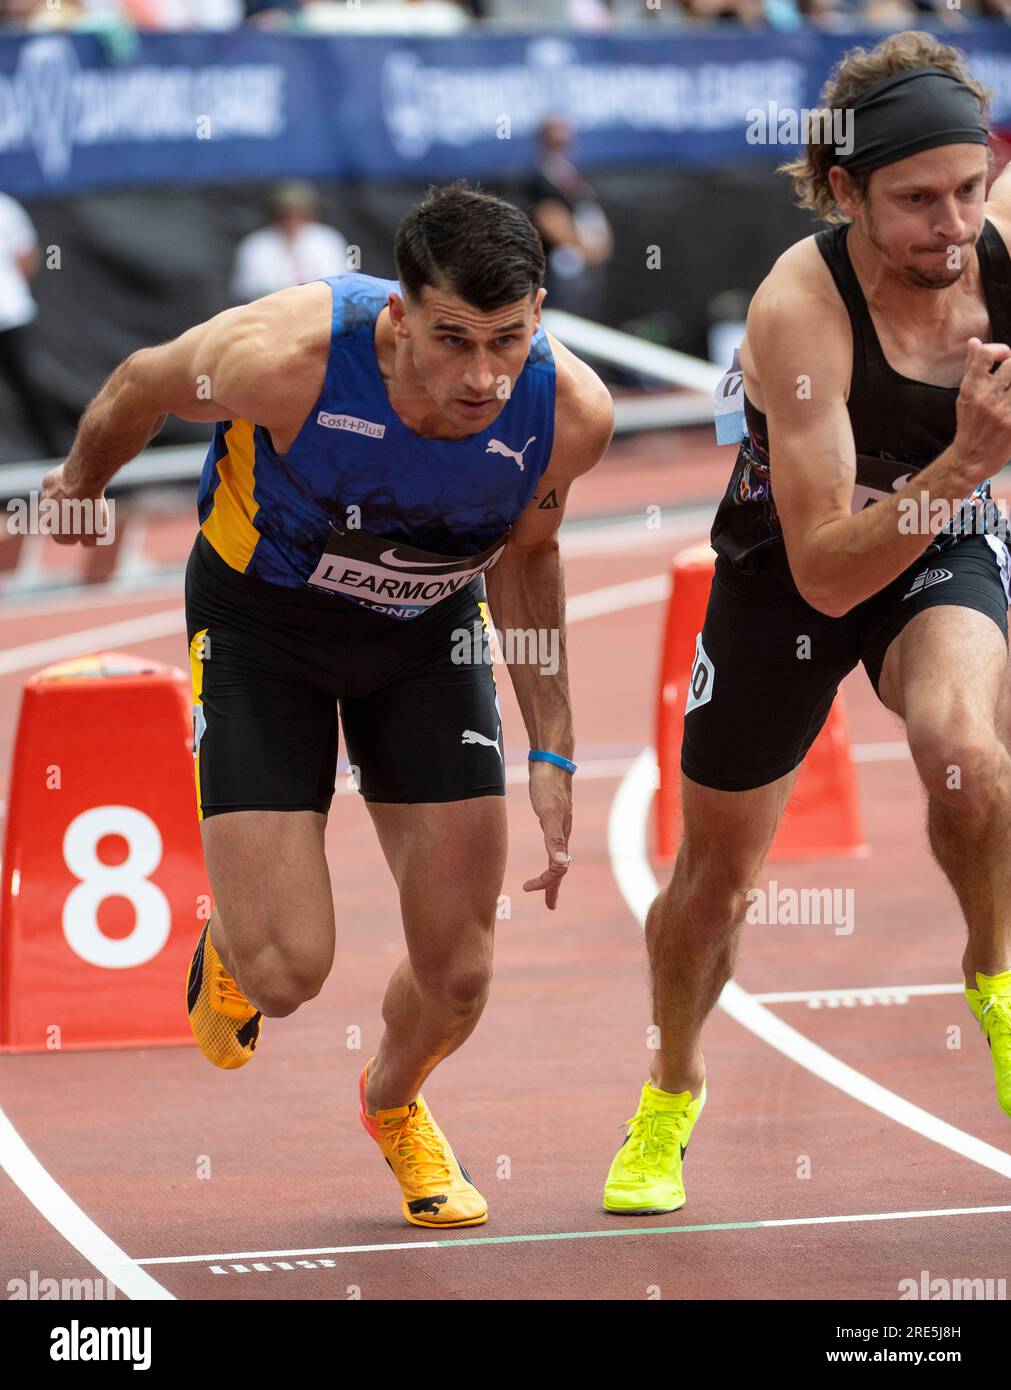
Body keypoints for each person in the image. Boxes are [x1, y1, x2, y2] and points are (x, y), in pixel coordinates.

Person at [42, 182, 614, 1229]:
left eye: (510, 340)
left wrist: (556, 749)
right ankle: (233, 951)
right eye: (453, 341)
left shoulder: (566, 411)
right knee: (286, 969)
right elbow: (140, 381)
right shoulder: (287, 355)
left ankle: (393, 1103)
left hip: (425, 636)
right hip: (264, 628)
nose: (484, 378)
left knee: (459, 973)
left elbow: (531, 556)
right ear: (398, 319)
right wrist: (81, 479)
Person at [604, 31, 1011, 1216]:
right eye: (916, 200)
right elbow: (828, 571)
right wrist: (971, 457)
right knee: (718, 879)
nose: (950, 223)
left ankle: (993, 970)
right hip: (789, 573)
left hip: (934, 550)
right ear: (845, 192)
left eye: (970, 190)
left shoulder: (998, 249)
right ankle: (672, 1087)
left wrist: (956, 488)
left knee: (966, 753)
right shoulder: (801, 309)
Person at [526, 117, 613, 321]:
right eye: (554, 142)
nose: (560, 149)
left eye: (565, 142)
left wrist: (600, 248)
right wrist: (581, 248)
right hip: (561, 267)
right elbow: (549, 216)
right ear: (542, 143)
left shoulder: (576, 177)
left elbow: (592, 212)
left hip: (588, 267)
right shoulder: (539, 180)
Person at [0, 191, 62, 459]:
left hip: (12, 317)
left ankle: (63, 464)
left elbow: (27, 256)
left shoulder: (6, 208)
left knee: (33, 394)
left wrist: (11, 293)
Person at [231, 183, 349, 304]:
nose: (292, 221)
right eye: (284, 215)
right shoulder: (256, 245)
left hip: (321, 309)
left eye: (300, 214)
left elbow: (340, 285)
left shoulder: (328, 239)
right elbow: (249, 292)